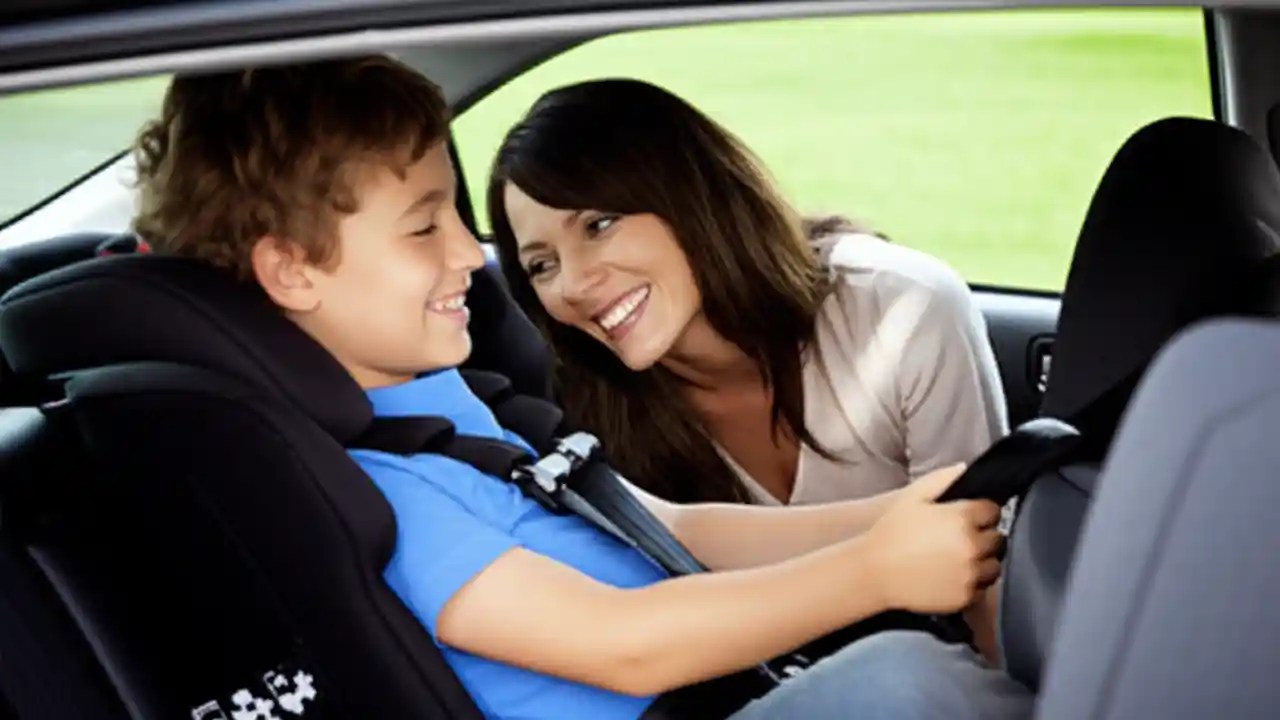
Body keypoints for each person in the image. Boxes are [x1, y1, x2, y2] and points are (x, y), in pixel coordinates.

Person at [131, 56, 1031, 720]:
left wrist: (893, 513)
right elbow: (625, 645)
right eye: (423, 227)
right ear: (291, 272)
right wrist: (874, 572)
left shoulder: (433, 408)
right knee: (908, 685)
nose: (467, 258)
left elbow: (665, 528)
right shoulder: (368, 485)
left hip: (718, 695)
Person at [487, 78, 1008, 509]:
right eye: (542, 265)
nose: (574, 285)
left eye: (599, 225)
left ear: (687, 194)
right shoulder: (590, 408)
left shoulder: (903, 311)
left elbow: (987, 572)